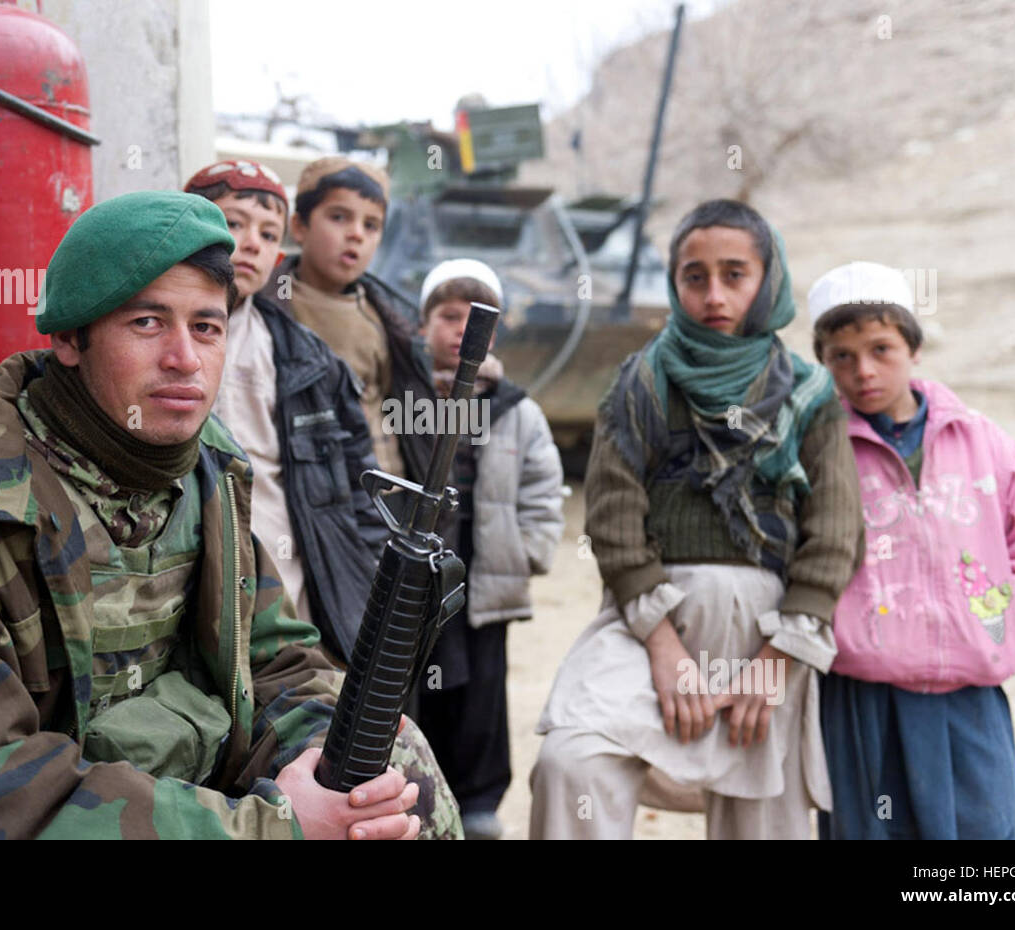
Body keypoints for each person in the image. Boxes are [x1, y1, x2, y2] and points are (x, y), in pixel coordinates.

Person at [0, 190, 442, 840]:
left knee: (398, 776)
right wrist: (267, 829)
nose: (185, 359)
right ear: (72, 336)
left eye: (206, 327)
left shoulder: (204, 467)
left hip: (173, 806)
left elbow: (276, 660)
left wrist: (331, 764)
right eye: (147, 323)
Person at [530, 199, 863, 840]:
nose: (714, 294)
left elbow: (835, 533)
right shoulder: (640, 383)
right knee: (572, 758)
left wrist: (778, 657)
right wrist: (663, 647)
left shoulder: (808, 392)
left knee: (763, 815)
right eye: (694, 276)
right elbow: (614, 516)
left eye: (735, 274)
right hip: (652, 619)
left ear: (769, 279)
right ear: (674, 282)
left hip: (773, 630)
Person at [183, 159, 461, 838]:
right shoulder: (163, 346)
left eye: (264, 229)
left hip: (294, 596)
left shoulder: (305, 357)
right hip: (189, 600)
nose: (248, 242)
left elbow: (354, 492)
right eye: (230, 221)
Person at [808, 261, 1015, 839]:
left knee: (984, 842)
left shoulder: (982, 442)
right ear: (823, 364)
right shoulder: (819, 451)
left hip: (969, 696)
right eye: (841, 357)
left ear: (914, 347)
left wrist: (1001, 622)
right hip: (862, 695)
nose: (863, 371)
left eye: (881, 349)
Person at [412, 260, 566, 840]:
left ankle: (477, 801)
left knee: (482, 691)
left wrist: (525, 553)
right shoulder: (405, 398)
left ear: (493, 335)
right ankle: (421, 793)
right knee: (424, 682)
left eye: (473, 320)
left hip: (484, 577)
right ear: (423, 323)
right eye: (447, 316)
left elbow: (543, 486)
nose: (459, 329)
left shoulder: (516, 409)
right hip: (424, 580)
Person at [261, 156, 437, 484]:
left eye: (371, 225)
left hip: (390, 492)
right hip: (317, 493)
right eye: (339, 217)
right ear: (299, 226)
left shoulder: (388, 315)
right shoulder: (269, 308)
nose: (356, 234)